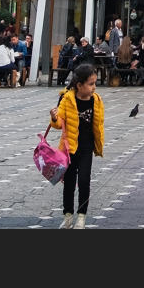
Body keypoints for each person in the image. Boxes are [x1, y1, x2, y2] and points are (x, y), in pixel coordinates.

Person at [50, 63, 104, 229]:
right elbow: (59, 123)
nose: (94, 87)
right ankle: (68, 216)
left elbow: (99, 123)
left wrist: (99, 143)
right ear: (79, 85)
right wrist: (54, 118)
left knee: (84, 181)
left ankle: (82, 216)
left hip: (87, 148)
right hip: (69, 148)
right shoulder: (68, 98)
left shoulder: (96, 100)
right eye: (91, 84)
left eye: (95, 83)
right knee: (69, 183)